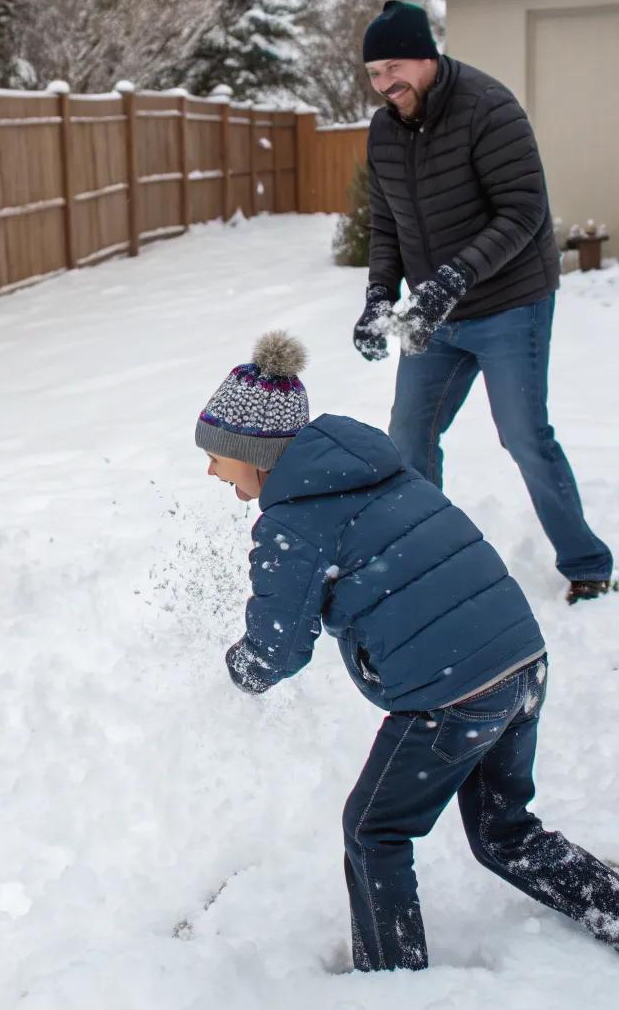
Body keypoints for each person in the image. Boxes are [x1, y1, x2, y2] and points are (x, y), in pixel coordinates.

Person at [197, 328, 619, 971]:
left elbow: (277, 650)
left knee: (374, 830)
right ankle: (610, 907)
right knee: (504, 831)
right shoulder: (377, 469)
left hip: (452, 695)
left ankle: (393, 981)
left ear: (255, 453)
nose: (210, 469)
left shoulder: (293, 520)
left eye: (217, 454)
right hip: (520, 662)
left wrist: (235, 675)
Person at [353, 0, 612, 605]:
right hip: (435, 313)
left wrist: (449, 281)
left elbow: (524, 213)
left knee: (523, 435)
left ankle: (588, 562)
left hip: (510, 304)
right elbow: (386, 222)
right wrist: (377, 296)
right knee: (408, 436)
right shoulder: (384, 130)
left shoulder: (488, 109)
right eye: (372, 72)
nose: (384, 83)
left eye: (393, 67)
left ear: (426, 57)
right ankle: (425, 559)